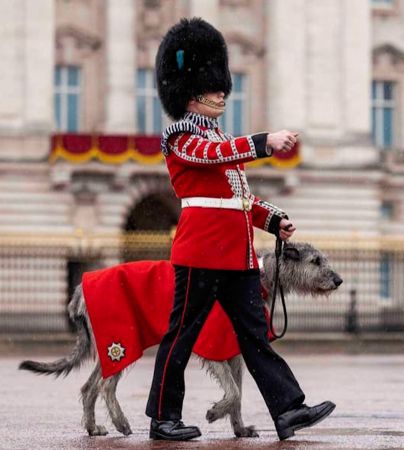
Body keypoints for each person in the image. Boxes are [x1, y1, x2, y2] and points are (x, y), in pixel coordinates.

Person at [145, 18, 335, 441]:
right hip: (201, 252)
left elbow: (238, 199)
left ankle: (288, 410)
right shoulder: (181, 138)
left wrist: (272, 219)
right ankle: (162, 415)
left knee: (255, 337)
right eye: (214, 88)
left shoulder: (218, 139)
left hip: (237, 255)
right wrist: (265, 141)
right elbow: (214, 156)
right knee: (181, 334)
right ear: (191, 93)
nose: (222, 93)